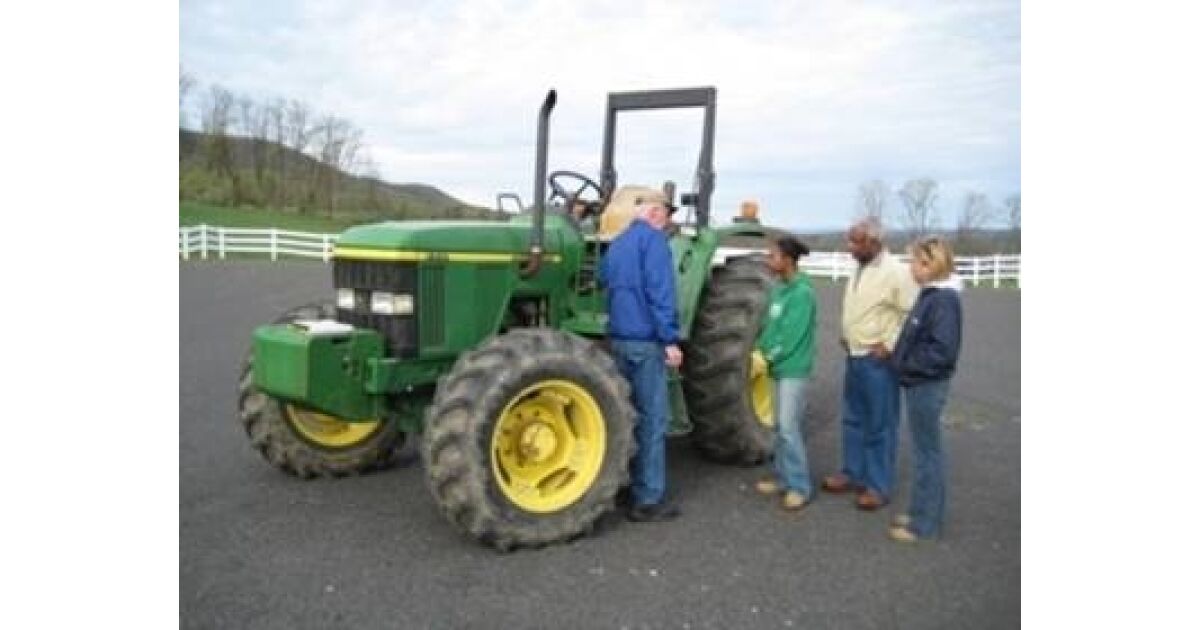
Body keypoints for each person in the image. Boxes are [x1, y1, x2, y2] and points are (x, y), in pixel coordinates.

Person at [822, 217, 918, 510]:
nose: (850, 247)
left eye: (856, 242)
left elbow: (911, 313)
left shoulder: (897, 272)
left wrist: (889, 344)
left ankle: (877, 486)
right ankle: (853, 472)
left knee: (880, 424)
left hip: (878, 362)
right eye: (849, 240)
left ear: (875, 242)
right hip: (854, 354)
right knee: (853, 418)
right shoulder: (859, 268)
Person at [598, 196, 684, 523]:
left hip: (619, 339)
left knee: (625, 415)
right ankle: (647, 498)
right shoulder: (655, 243)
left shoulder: (618, 244)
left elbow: (606, 282)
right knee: (652, 419)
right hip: (647, 342)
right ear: (654, 212)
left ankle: (622, 486)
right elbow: (661, 292)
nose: (667, 220)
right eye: (665, 214)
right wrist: (670, 339)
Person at [888, 237, 963, 543]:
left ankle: (925, 524)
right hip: (920, 382)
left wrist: (906, 365)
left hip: (926, 385)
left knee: (926, 455)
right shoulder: (931, 296)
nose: (911, 268)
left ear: (931, 264)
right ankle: (921, 511)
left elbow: (942, 352)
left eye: (915, 262)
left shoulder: (943, 300)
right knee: (924, 452)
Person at [753, 236, 818, 511]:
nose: (769, 261)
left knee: (790, 428)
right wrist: (759, 348)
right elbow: (770, 327)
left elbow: (792, 336)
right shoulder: (779, 289)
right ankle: (783, 477)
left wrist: (768, 356)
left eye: (773, 256)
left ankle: (800, 486)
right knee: (779, 426)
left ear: (788, 261)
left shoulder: (803, 293)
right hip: (778, 367)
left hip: (793, 368)